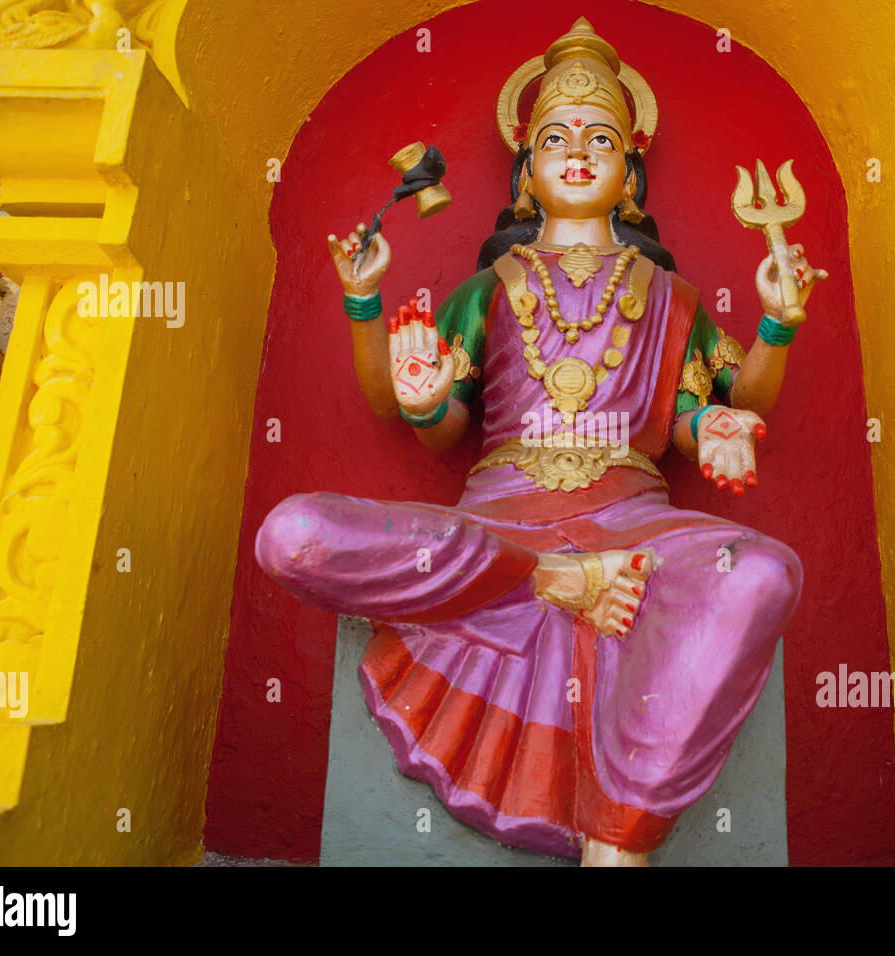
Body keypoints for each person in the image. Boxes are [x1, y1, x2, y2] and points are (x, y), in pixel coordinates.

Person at [256, 18, 827, 866]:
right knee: (293, 534)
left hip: (636, 525)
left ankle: (620, 838)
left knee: (763, 572)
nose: (577, 152)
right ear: (526, 167)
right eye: (555, 138)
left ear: (630, 169)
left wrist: (773, 328)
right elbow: (425, 417)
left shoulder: (671, 299)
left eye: (600, 139)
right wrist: (371, 319)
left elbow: (710, 409)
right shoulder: (489, 289)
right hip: (502, 527)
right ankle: (556, 579)